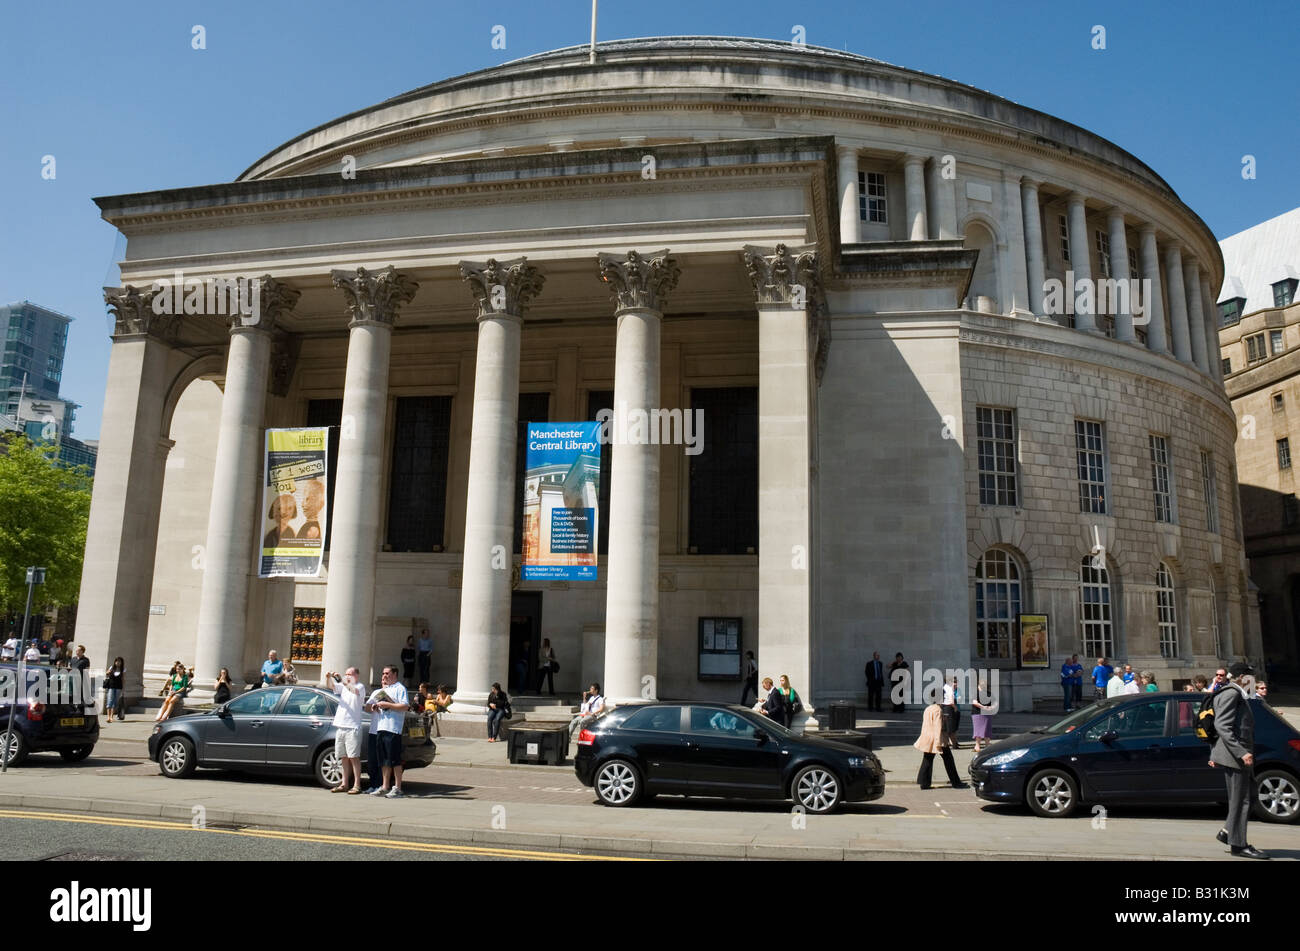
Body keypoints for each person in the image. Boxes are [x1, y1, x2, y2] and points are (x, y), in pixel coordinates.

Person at [1210, 663, 1269, 859]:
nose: (1253, 680)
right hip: (1236, 756)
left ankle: (1228, 831)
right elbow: (1222, 726)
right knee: (1241, 800)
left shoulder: (1239, 692)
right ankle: (1238, 844)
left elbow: (1254, 704)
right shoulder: (1231, 693)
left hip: (1238, 754)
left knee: (1250, 795)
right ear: (1242, 676)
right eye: (1250, 676)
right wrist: (1241, 752)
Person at [365, 665, 409, 798]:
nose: (384, 676)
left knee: (394, 759)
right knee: (384, 760)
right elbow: (369, 706)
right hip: (381, 727)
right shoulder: (384, 690)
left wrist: (388, 705)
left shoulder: (400, 688)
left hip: (393, 729)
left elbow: (405, 706)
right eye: (383, 673)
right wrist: (375, 706)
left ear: (395, 674)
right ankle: (384, 786)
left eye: (387, 673)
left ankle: (398, 787)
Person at [327, 667, 365, 794]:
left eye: (350, 674)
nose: (347, 676)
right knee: (343, 757)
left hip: (352, 727)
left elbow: (353, 690)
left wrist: (342, 679)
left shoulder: (360, 687)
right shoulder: (343, 686)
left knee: (354, 757)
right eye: (346, 674)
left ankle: (357, 785)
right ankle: (344, 783)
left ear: (356, 676)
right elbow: (331, 687)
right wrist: (329, 677)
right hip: (341, 726)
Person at [915, 703, 967, 790]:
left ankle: (924, 783)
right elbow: (937, 727)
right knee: (949, 760)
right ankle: (956, 783)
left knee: (927, 760)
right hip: (938, 739)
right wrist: (938, 742)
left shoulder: (928, 708)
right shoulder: (938, 710)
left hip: (928, 737)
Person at [970, 680, 996, 752]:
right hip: (987, 713)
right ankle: (987, 745)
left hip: (977, 713)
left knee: (978, 730)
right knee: (987, 729)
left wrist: (983, 707)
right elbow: (995, 704)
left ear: (979, 686)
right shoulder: (989, 694)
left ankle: (977, 746)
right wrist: (990, 708)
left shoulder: (976, 693)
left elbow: (975, 703)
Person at [103, 657, 125, 723]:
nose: (118, 663)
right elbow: (106, 673)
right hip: (111, 687)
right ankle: (108, 717)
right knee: (109, 701)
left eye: (119, 662)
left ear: (121, 663)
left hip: (118, 687)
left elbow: (123, 679)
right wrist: (108, 672)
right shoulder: (111, 668)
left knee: (115, 702)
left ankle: (112, 717)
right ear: (115, 662)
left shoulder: (123, 669)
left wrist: (123, 689)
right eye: (117, 661)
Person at [941, 676, 961, 748]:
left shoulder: (944, 687)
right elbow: (951, 700)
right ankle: (954, 745)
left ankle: (945, 744)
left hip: (944, 707)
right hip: (949, 708)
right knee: (951, 728)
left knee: (945, 728)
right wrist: (955, 707)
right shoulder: (950, 688)